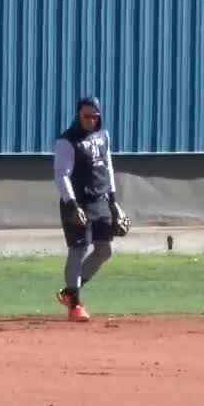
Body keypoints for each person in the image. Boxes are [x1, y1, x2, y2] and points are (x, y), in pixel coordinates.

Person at [52, 96, 125, 323]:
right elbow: (61, 175)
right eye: (86, 116)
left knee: (105, 250)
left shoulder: (103, 136)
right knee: (79, 249)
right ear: (78, 115)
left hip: (100, 200)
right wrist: (72, 205)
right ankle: (74, 305)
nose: (90, 120)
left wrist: (114, 203)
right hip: (78, 202)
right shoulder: (67, 141)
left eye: (94, 116)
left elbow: (108, 165)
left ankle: (70, 290)